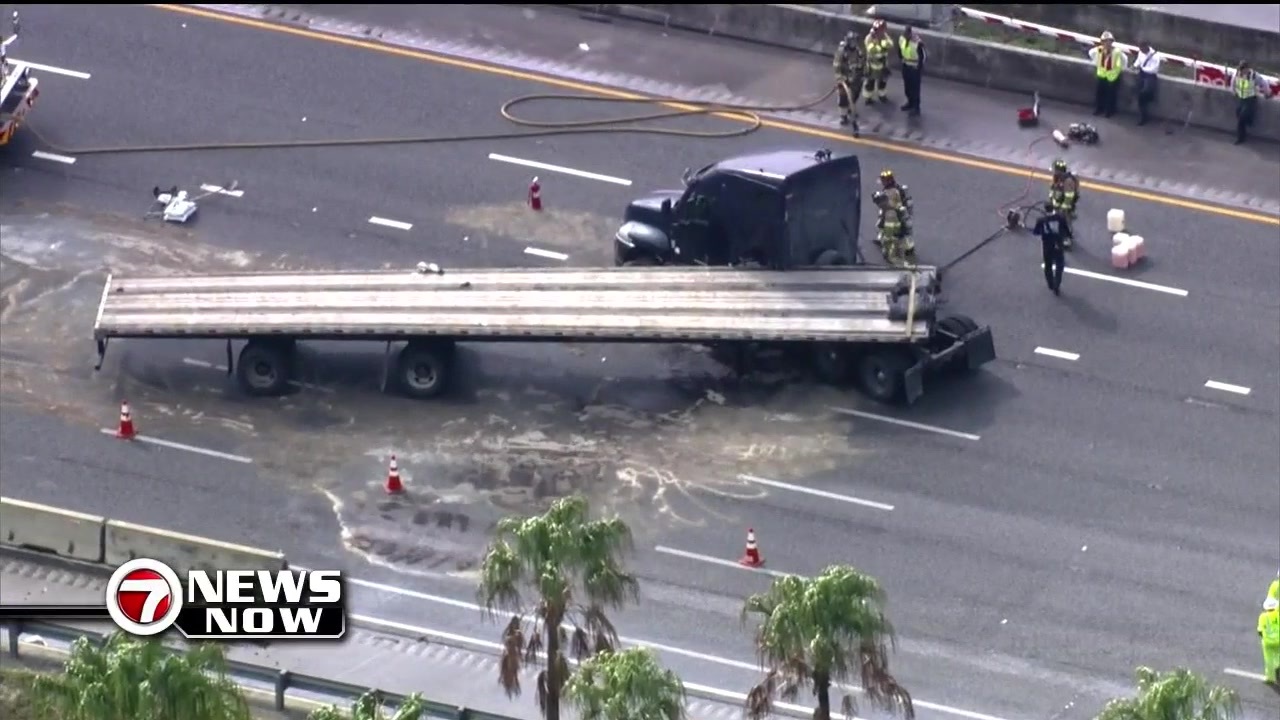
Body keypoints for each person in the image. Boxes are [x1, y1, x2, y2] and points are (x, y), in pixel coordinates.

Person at [1033, 202, 1071, 295]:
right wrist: (1068, 236)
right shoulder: (1060, 218)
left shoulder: (1041, 220)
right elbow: (1066, 230)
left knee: (1048, 265)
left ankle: (1050, 283)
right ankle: (1057, 284)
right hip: (1058, 245)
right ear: (1053, 208)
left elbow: (1036, 232)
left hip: (1047, 246)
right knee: (1059, 265)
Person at [1231, 61, 1272, 145]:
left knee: (1242, 118)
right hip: (1241, 98)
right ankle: (1249, 122)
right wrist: (1233, 91)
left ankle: (1240, 138)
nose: (1241, 71)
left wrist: (1267, 93)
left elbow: (1263, 83)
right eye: (1240, 69)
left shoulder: (1254, 76)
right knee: (1238, 113)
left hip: (1251, 99)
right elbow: (1233, 82)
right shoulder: (1237, 74)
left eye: (1243, 69)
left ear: (1247, 69)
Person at [1088, 31, 1127, 118]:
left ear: (1112, 42)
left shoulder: (1117, 52)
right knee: (1100, 93)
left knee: (1111, 95)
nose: (1106, 43)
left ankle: (1109, 111)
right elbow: (1091, 53)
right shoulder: (1099, 49)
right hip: (1102, 74)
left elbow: (1124, 59)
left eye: (1108, 41)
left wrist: (1121, 68)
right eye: (1104, 41)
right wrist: (1095, 61)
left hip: (1113, 76)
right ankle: (1099, 109)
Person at [832, 30, 865, 132]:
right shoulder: (842, 52)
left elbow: (862, 63)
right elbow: (836, 66)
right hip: (844, 79)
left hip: (855, 79)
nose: (854, 44)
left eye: (855, 41)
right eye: (852, 41)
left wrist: (862, 74)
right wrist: (841, 79)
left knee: (854, 96)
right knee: (843, 98)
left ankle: (851, 109)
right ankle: (843, 116)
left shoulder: (858, 51)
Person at [873, 190, 914, 265]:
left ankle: (906, 267)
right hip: (897, 235)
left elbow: (891, 229)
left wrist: (887, 238)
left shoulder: (891, 212)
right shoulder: (885, 210)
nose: (879, 204)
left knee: (893, 258)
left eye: (880, 201)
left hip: (897, 236)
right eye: (878, 202)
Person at [1048, 159, 1078, 248]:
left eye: (1054, 171)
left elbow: (1069, 197)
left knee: (1064, 223)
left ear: (1059, 171)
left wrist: (1063, 208)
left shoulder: (1068, 181)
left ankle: (1067, 239)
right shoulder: (1056, 178)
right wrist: (1051, 202)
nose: (1053, 173)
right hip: (1058, 205)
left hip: (1065, 207)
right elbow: (1053, 189)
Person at [863, 20, 894, 105]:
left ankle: (882, 96)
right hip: (872, 65)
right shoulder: (869, 38)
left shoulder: (884, 36)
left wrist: (884, 43)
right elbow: (871, 49)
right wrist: (881, 47)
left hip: (883, 64)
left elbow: (890, 44)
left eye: (883, 30)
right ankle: (868, 98)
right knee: (870, 83)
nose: (883, 32)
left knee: (882, 83)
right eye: (881, 30)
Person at [897, 26, 925, 116]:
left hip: (914, 68)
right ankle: (909, 103)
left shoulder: (917, 43)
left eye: (907, 34)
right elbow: (899, 49)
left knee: (915, 89)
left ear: (910, 34)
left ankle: (916, 107)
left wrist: (919, 68)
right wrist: (901, 59)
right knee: (907, 87)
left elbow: (923, 57)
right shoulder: (902, 39)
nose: (905, 35)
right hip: (906, 66)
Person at [1132, 41, 1161, 126]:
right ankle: (1143, 115)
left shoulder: (1155, 56)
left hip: (1150, 76)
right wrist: (1135, 65)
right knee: (1140, 95)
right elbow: (1138, 60)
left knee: (1144, 94)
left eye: (1142, 49)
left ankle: (1144, 116)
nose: (1141, 51)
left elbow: (1154, 69)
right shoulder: (1141, 52)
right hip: (1142, 75)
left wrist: (1143, 68)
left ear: (1147, 47)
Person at [1260, 596, 1280, 685]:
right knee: (1278, 655)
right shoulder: (1278, 615)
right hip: (1278, 640)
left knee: (1269, 659)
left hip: (1267, 642)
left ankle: (1270, 678)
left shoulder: (1263, 617)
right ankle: (1278, 666)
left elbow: (1260, 630)